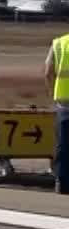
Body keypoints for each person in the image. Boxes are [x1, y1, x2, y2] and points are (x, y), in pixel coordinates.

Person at [45, 25, 69, 194]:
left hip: (63, 102)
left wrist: (53, 93)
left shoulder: (59, 43)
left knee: (63, 144)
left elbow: (48, 72)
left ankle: (61, 182)